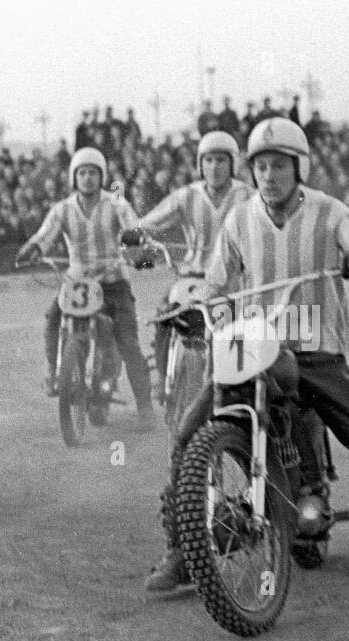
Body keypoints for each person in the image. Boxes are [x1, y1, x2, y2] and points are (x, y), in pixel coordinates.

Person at [206, 117, 349, 557]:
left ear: (299, 168)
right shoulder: (239, 220)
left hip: (317, 351)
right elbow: (215, 285)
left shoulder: (330, 211)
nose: (269, 177)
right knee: (190, 434)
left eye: (280, 167)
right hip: (258, 350)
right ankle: (184, 540)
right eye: (262, 167)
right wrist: (215, 311)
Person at [123, 130, 254, 592]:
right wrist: (136, 237)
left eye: (223, 159)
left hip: (238, 292)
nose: (215, 167)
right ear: (199, 165)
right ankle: (167, 384)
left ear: (233, 163)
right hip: (192, 283)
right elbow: (147, 223)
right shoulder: (185, 197)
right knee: (167, 320)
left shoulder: (250, 195)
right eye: (209, 160)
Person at [14, 146, 157, 429]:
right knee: (52, 318)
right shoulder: (63, 209)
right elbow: (45, 235)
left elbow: (132, 225)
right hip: (78, 281)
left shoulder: (115, 203)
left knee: (127, 342)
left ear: (101, 176)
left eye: (93, 172)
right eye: (82, 173)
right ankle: (54, 373)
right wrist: (32, 248)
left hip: (113, 280)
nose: (88, 178)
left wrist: (133, 236)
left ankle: (145, 406)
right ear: (74, 177)